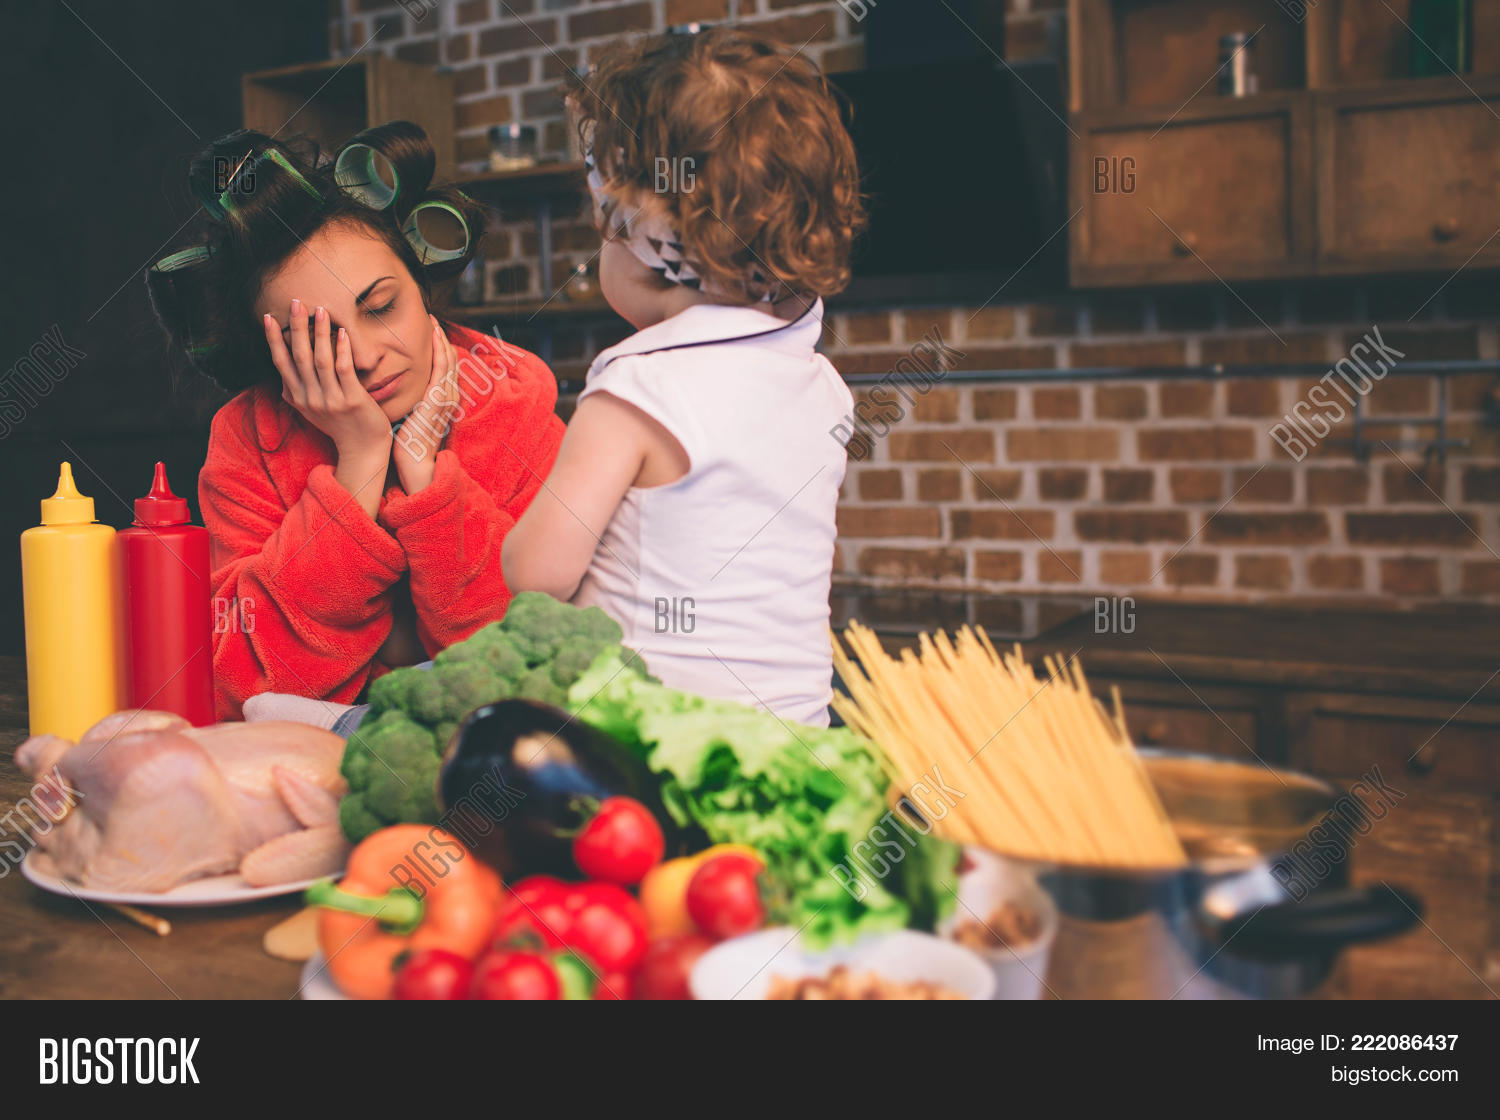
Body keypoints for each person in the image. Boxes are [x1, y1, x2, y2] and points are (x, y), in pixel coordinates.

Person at [502, 26, 867, 727]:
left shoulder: (638, 390)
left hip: (651, 743)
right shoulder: (822, 387)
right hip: (796, 733)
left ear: (636, 240)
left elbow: (536, 574)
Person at [147, 122, 564, 721]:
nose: (365, 357)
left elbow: (533, 671)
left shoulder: (513, 407)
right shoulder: (249, 441)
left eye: (381, 307)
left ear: (422, 285)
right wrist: (360, 465)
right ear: (274, 356)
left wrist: (426, 478)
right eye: (317, 341)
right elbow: (243, 682)